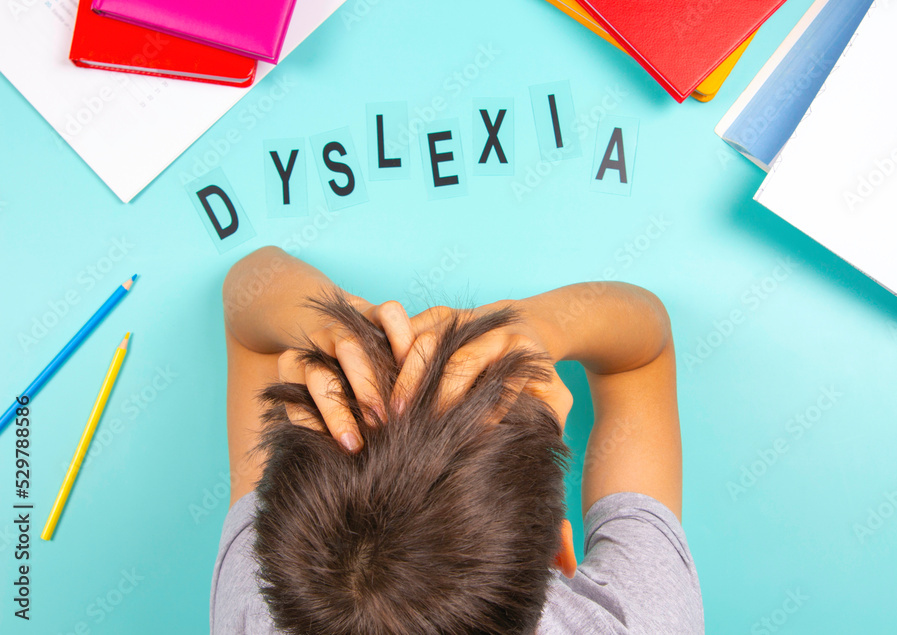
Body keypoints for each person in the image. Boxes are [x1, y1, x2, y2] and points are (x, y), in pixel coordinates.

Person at [211, 246, 703, 634]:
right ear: (561, 551)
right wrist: (541, 323)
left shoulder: (254, 614)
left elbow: (247, 289)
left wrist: (329, 322)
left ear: (264, 541)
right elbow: (642, 354)